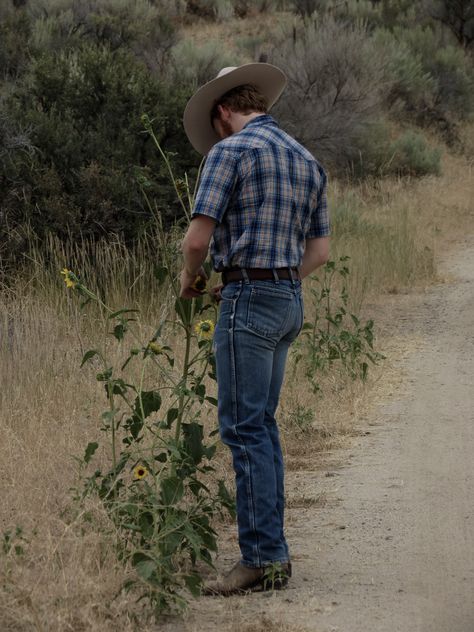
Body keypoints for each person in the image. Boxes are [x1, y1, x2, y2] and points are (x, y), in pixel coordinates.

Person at [179, 63, 330, 595]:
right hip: (287, 299)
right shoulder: (305, 159)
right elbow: (320, 252)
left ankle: (262, 559)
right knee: (262, 426)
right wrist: (273, 277)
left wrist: (190, 280)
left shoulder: (230, 151)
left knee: (244, 430)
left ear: (223, 112)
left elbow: (198, 240)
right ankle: (271, 553)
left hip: (248, 300)